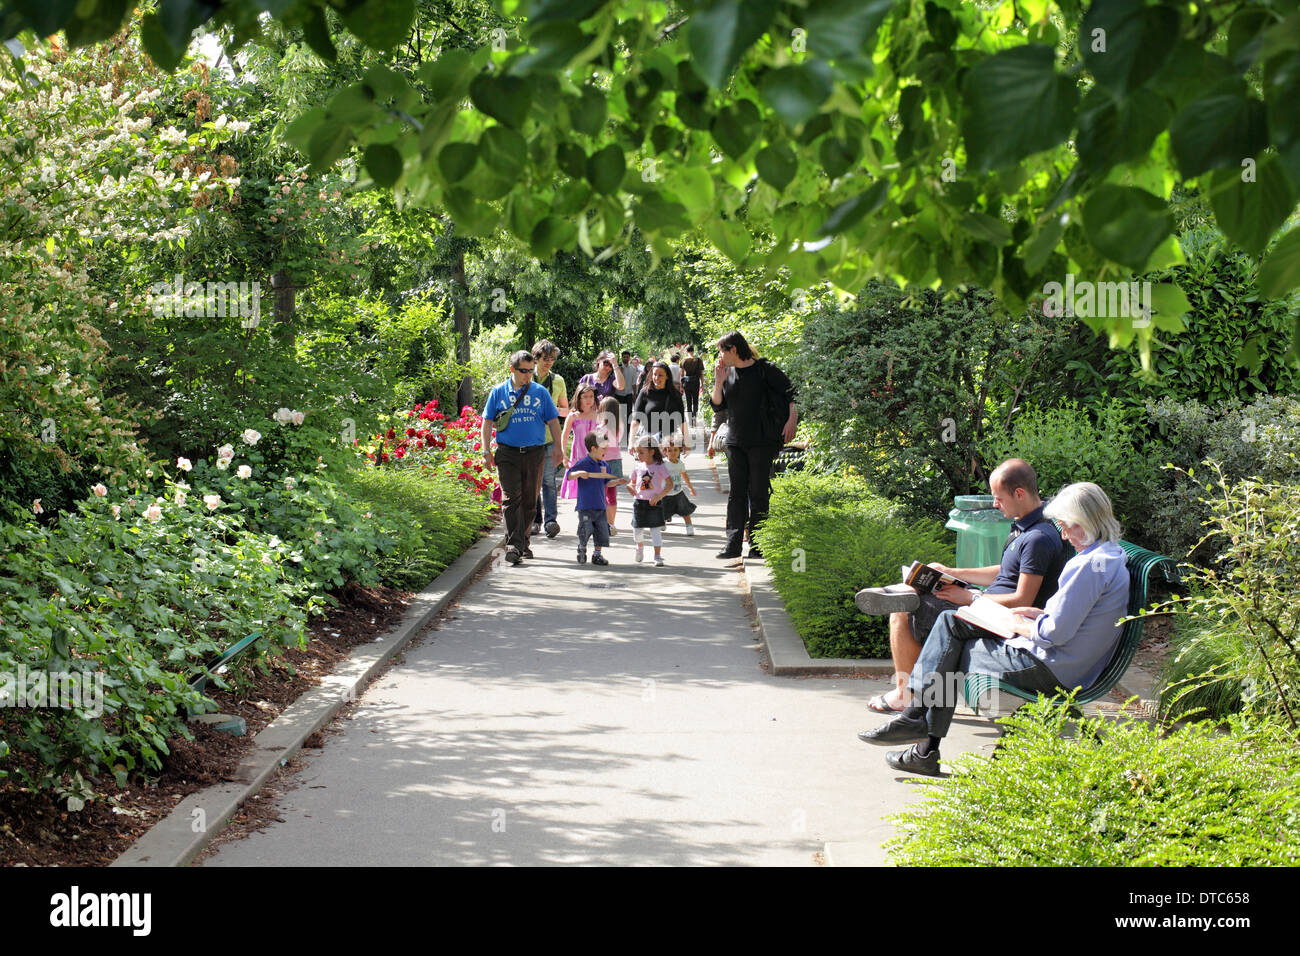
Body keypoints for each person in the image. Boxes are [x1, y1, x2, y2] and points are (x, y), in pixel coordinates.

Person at [857, 482, 1130, 777]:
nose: (1064, 535)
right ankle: (920, 737)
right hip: (1066, 663)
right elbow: (1073, 618)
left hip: (1052, 667)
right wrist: (1040, 614)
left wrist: (1016, 622)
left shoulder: (1089, 566)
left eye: (1067, 526)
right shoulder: (1108, 556)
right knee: (953, 627)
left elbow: (1054, 635)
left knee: (951, 636)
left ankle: (918, 729)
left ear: (1087, 522)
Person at [853, 459, 1066, 713]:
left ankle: (904, 693)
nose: (996, 504)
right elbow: (1008, 572)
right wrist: (953, 572)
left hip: (997, 620)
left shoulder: (1038, 538)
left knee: (902, 612)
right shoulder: (1026, 527)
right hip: (985, 606)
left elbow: (1023, 599)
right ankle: (902, 590)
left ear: (1019, 494)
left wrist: (969, 597)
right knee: (923, 591)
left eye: (999, 498)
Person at [709, 330, 797, 560]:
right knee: (736, 493)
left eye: (722, 350)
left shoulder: (765, 370)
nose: (720, 356)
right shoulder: (728, 374)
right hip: (736, 442)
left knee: (758, 493)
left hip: (761, 441)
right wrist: (718, 382)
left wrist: (792, 420)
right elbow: (718, 406)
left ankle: (758, 546)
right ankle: (732, 545)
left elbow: (792, 393)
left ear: (734, 350)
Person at [481, 351, 563, 564]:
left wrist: (559, 448)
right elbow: (487, 422)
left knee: (529, 501)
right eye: (523, 370)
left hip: (535, 453)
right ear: (512, 369)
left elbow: (553, 421)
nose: (528, 374)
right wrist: (486, 451)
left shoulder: (540, 392)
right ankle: (513, 545)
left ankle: (522, 542)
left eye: (530, 370)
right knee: (510, 499)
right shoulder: (498, 392)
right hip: (507, 452)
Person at [565, 431, 623, 566]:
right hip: (585, 506)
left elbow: (606, 483)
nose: (606, 451)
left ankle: (597, 555)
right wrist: (579, 473)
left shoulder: (605, 465)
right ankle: (582, 548)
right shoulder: (583, 463)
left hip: (600, 506)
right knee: (585, 529)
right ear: (593, 448)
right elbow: (569, 475)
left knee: (601, 531)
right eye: (604, 448)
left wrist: (617, 482)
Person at [530, 340, 568, 538]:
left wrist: (549, 411)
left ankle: (550, 520)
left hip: (549, 438)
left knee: (549, 480)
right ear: (535, 358)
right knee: (533, 481)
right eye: (545, 358)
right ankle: (535, 520)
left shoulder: (558, 381)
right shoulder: (526, 378)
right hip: (529, 439)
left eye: (552, 359)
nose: (549, 362)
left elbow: (565, 410)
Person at [626, 434, 672, 567]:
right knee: (637, 530)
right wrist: (630, 486)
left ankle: (657, 556)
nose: (638, 455)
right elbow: (632, 482)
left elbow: (670, 485)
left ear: (652, 452)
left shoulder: (660, 467)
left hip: (654, 503)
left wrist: (659, 496)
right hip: (639, 503)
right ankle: (639, 547)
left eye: (641, 452)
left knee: (655, 530)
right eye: (636, 452)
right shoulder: (638, 466)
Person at [629, 361, 689, 453]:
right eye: (654, 374)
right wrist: (631, 442)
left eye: (660, 375)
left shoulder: (675, 395)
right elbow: (636, 420)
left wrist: (687, 443)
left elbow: (682, 421)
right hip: (649, 444)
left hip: (670, 446)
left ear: (667, 376)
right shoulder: (645, 393)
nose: (656, 378)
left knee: (671, 467)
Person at [559, 384, 601, 502]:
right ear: (579, 398)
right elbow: (564, 436)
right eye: (585, 396)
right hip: (578, 456)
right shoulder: (573, 416)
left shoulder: (598, 415)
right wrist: (564, 455)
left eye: (591, 396)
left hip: (594, 456)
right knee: (579, 490)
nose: (589, 400)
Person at [595, 396, 624, 534]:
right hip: (616, 461)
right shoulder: (621, 426)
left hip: (603, 462)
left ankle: (603, 523)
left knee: (602, 494)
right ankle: (611, 523)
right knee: (612, 495)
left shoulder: (601, 428)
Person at [660, 437, 697, 535]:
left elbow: (684, 476)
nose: (673, 452)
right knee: (662, 510)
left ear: (680, 450)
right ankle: (661, 523)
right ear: (665, 451)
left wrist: (690, 488)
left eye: (675, 450)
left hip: (678, 492)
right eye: (670, 450)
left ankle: (689, 526)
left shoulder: (680, 464)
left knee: (685, 511)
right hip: (665, 493)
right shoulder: (663, 464)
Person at [616, 350, 637, 448]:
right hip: (618, 395)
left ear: (629, 358)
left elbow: (634, 383)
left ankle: (628, 436)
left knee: (628, 416)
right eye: (624, 357)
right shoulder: (618, 368)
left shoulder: (633, 369)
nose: (625, 358)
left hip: (628, 394)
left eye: (627, 357)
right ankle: (619, 437)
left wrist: (635, 395)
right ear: (622, 357)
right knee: (619, 416)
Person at [680, 345, 705, 424]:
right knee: (695, 400)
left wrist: (681, 385)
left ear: (687, 351)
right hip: (696, 382)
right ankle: (694, 417)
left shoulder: (683, 360)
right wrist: (702, 384)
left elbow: (682, 374)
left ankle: (690, 420)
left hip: (687, 383)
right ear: (693, 351)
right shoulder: (698, 360)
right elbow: (701, 374)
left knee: (688, 401)